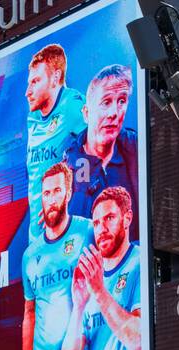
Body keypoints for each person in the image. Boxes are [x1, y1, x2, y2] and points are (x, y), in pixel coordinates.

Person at [21, 161, 96, 350]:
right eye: (46, 193)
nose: (51, 199)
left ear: (69, 193)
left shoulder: (88, 231)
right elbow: (29, 312)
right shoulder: (30, 255)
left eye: (57, 191)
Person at [61, 186, 145, 350]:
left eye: (109, 218)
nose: (102, 229)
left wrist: (99, 292)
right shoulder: (91, 280)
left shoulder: (141, 262)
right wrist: (79, 307)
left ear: (127, 218)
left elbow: (137, 341)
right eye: (97, 223)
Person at [61, 64, 139, 235]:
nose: (114, 113)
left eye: (122, 101)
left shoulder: (137, 151)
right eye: (106, 102)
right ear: (86, 114)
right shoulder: (65, 174)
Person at [25, 43, 86, 238]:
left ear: (55, 78)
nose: (28, 91)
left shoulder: (73, 105)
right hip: (36, 238)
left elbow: (101, 152)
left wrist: (67, 197)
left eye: (35, 81)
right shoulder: (32, 119)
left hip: (66, 233)